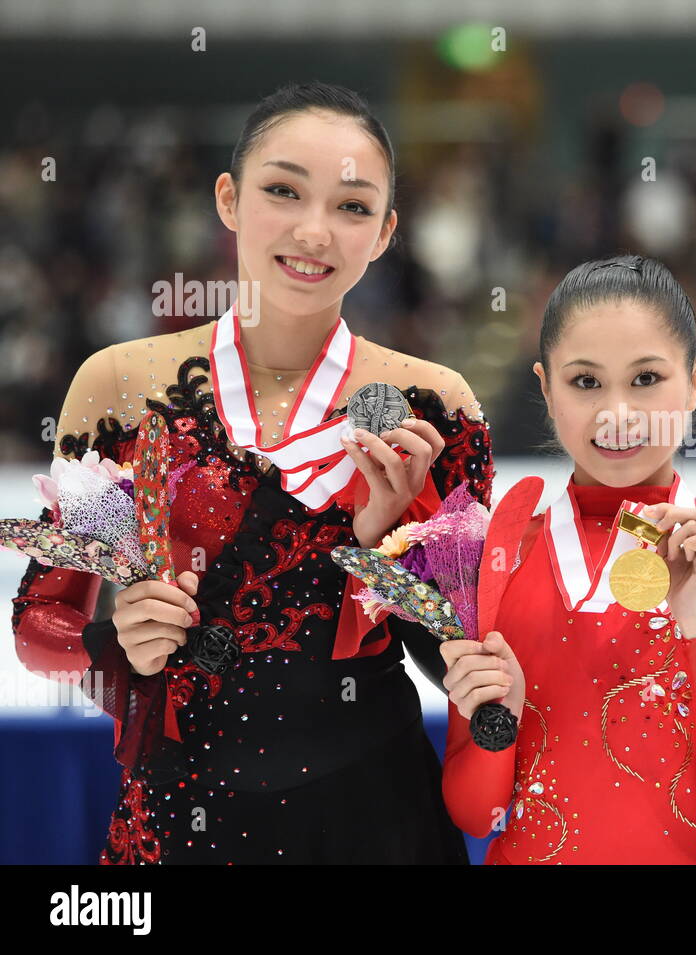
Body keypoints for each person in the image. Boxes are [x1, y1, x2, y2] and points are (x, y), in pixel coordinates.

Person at [12, 82, 492, 864]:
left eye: (352, 206)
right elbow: (39, 626)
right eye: (282, 190)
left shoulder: (434, 404)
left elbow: (451, 652)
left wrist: (384, 554)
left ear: (385, 232)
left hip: (375, 819)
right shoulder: (123, 390)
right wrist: (115, 640)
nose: (314, 230)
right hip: (179, 821)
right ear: (229, 198)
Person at [438, 254, 696, 864]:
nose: (617, 413)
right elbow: (476, 812)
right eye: (585, 382)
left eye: (646, 379)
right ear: (546, 387)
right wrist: (500, 717)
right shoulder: (491, 554)